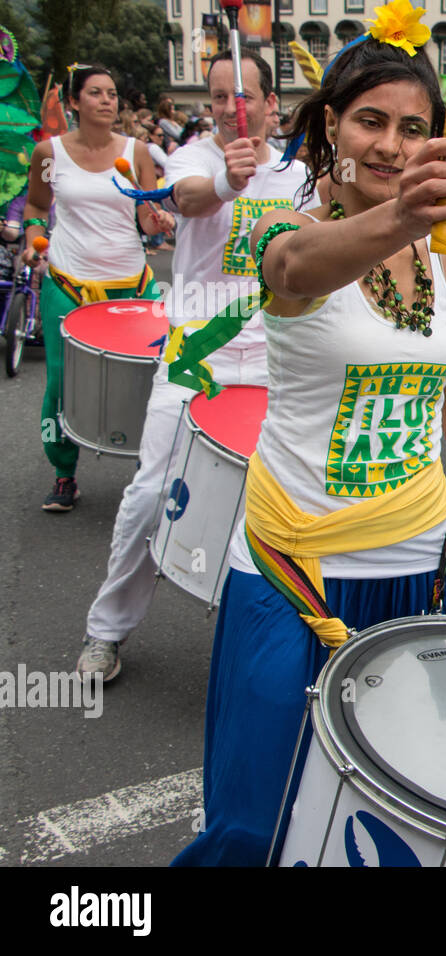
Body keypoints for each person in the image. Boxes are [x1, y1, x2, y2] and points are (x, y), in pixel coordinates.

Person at [173, 11, 446, 866]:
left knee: (409, 803)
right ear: (332, 123)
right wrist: (408, 214)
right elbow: (297, 273)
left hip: (422, 564)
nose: (392, 145)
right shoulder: (279, 230)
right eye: (372, 121)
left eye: (414, 128)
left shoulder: (445, 257)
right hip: (295, 572)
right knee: (254, 822)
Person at [73, 49, 308, 682]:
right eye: (220, 96)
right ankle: (106, 631)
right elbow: (189, 200)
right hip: (194, 356)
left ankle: (284, 642)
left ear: (269, 104)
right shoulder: (197, 157)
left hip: (274, 365)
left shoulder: (297, 176)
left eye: (245, 96)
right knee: (151, 495)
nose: (232, 108)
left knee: (288, 506)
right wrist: (229, 181)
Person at [22, 65, 173, 512]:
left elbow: (148, 218)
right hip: (69, 283)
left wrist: (158, 220)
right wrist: (33, 243)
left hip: (131, 284)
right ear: (74, 102)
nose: (107, 101)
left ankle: (150, 474)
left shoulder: (138, 151)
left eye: (111, 93)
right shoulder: (48, 152)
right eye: (95, 93)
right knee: (60, 383)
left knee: (154, 382)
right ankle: (64, 474)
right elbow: (36, 206)